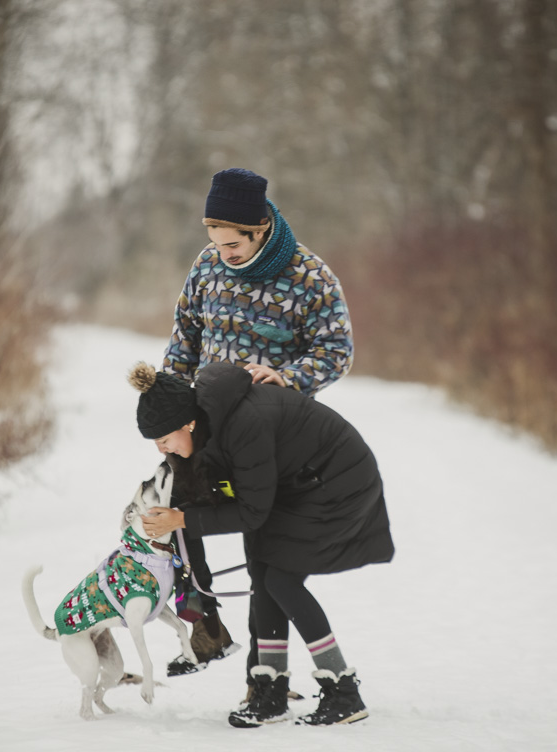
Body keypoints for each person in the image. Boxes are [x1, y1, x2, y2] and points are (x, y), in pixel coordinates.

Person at [161, 167, 354, 678]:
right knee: (176, 524)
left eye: (234, 244)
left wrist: (287, 377)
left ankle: (264, 676)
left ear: (261, 228)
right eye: (216, 242)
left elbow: (337, 351)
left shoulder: (309, 276)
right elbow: (183, 344)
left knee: (265, 560)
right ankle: (207, 631)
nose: (226, 252)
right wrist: (170, 411)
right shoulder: (206, 268)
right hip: (208, 434)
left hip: (274, 440)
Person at [129, 361, 393, 727]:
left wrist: (185, 519)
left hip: (337, 483)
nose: (163, 450)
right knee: (264, 572)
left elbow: (252, 513)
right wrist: (178, 514)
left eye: (164, 440)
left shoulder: (242, 425)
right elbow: (227, 493)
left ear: (187, 423)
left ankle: (344, 693)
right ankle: (270, 692)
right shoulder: (206, 428)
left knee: (281, 580)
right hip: (296, 487)